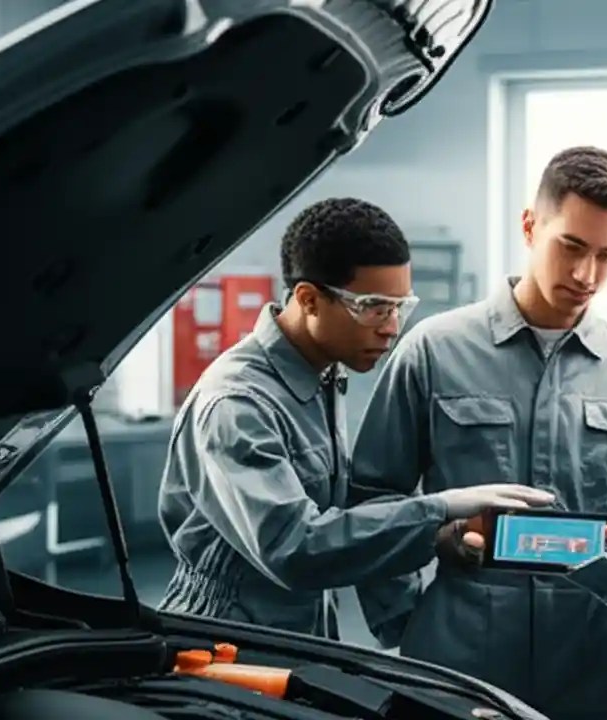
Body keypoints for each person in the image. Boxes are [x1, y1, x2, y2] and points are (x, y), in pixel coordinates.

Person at [347, 147, 607, 720]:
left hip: (589, 656)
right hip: (455, 650)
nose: (587, 275)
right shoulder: (434, 350)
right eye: (572, 247)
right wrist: (403, 617)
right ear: (531, 226)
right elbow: (373, 495)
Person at [157, 197, 554, 638]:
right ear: (308, 299)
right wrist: (438, 507)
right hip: (223, 642)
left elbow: (339, 515)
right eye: (374, 307)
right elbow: (295, 548)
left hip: (296, 633)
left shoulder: (321, 374)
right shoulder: (237, 405)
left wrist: (438, 536)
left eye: (401, 307)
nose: (391, 327)